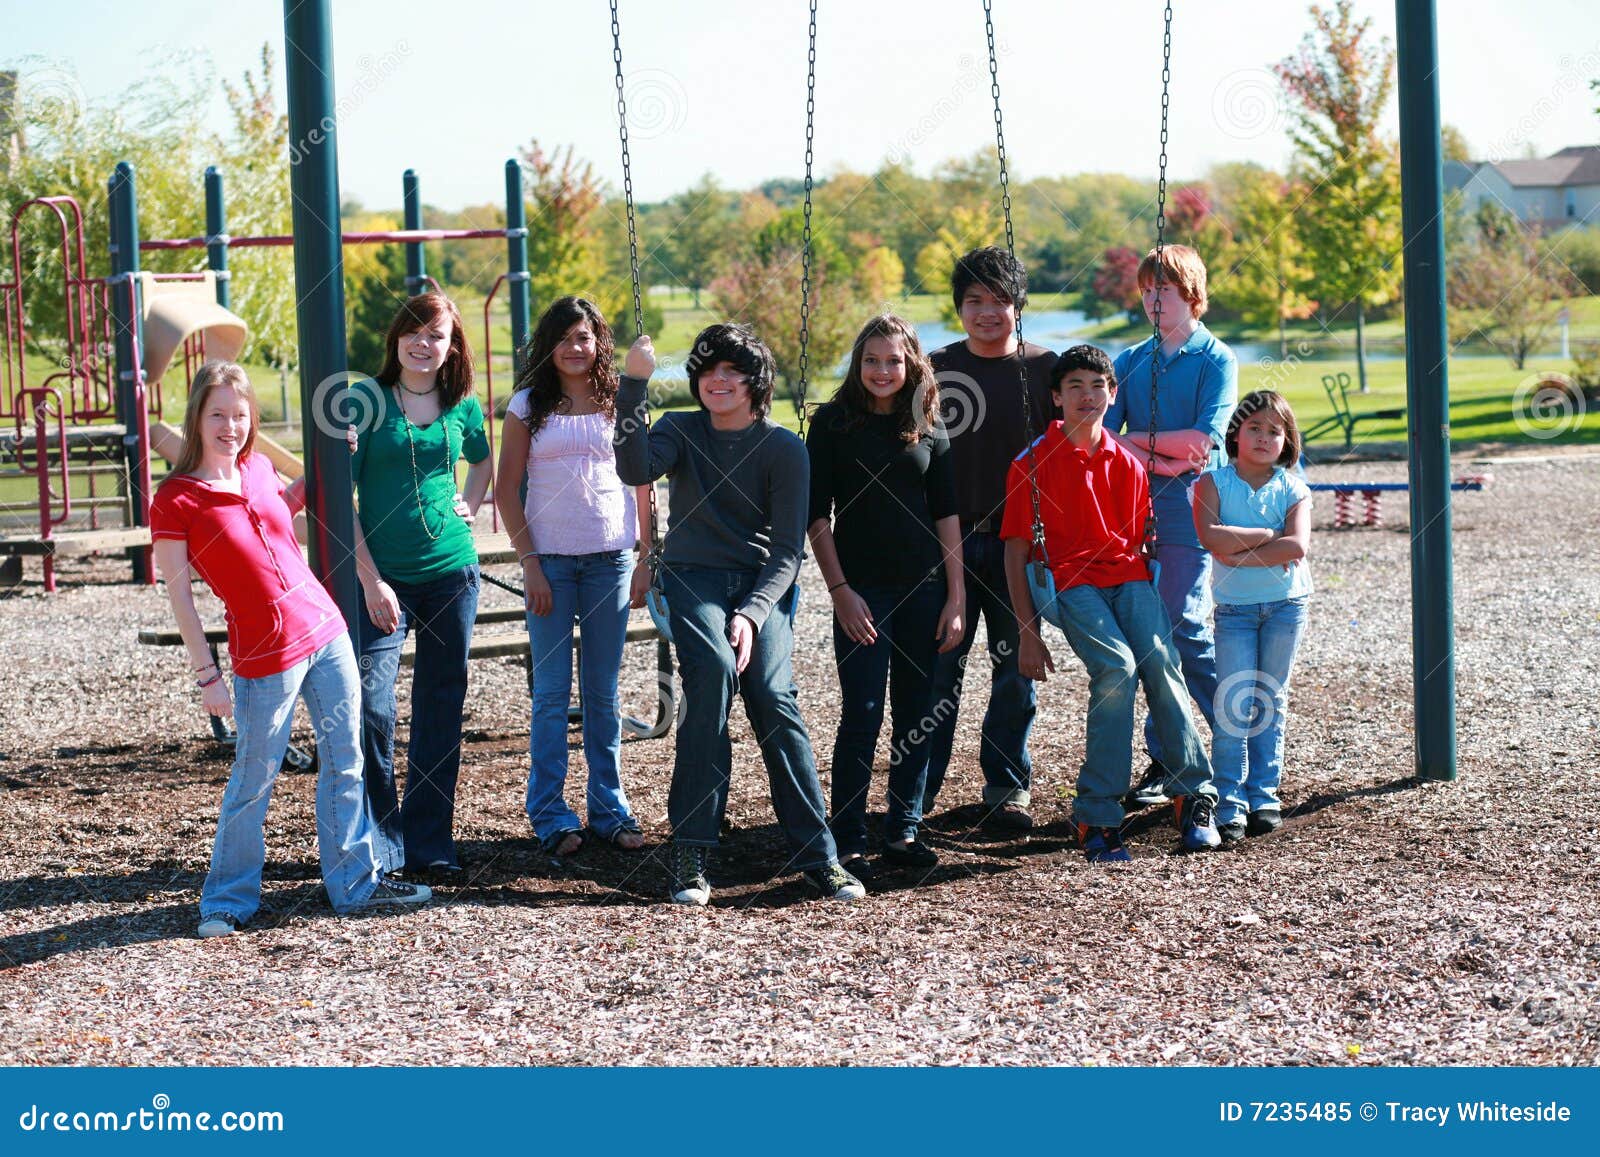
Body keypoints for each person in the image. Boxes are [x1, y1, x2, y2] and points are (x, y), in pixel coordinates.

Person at [150, 361, 431, 937]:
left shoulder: (256, 469)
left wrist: (336, 454)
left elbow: (292, 506)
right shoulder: (176, 499)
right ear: (198, 418)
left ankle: (355, 885)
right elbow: (180, 599)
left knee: (347, 758)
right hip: (263, 653)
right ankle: (227, 900)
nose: (231, 425)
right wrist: (207, 675)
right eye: (218, 414)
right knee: (255, 776)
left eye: (240, 413)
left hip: (324, 630)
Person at [613, 322, 865, 906]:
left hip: (762, 588)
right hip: (692, 579)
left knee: (774, 697)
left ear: (756, 383)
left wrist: (751, 614)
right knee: (712, 678)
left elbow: (785, 555)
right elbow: (633, 470)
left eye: (732, 372)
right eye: (708, 371)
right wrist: (633, 386)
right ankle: (693, 849)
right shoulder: (679, 430)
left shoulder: (783, 449)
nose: (718, 381)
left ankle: (817, 855)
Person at [1001, 345, 1220, 861]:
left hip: (1129, 575)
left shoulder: (1127, 462)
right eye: (1074, 386)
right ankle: (1097, 813)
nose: (1087, 395)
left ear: (1113, 394)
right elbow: (1015, 555)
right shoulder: (1030, 464)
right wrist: (1027, 633)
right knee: (1117, 668)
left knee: (1164, 662)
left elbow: (1139, 545)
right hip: (1066, 580)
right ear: (1055, 397)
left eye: (1098, 385)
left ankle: (1193, 795)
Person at [806, 314, 965, 879]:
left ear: (911, 363)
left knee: (917, 713)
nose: (882, 370)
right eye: (871, 360)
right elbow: (816, 518)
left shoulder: (928, 419)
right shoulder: (830, 424)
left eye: (893, 360)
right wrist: (840, 591)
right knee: (863, 712)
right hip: (862, 591)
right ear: (857, 363)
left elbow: (947, 513)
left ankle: (903, 828)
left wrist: (956, 597)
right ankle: (847, 833)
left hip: (925, 588)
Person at [494, 296, 653, 857]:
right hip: (552, 565)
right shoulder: (526, 405)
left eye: (584, 338)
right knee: (552, 694)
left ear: (599, 343)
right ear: (549, 345)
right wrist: (530, 562)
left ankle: (609, 809)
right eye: (564, 338)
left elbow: (642, 483)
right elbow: (505, 487)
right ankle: (550, 811)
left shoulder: (619, 402)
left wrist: (646, 556)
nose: (575, 348)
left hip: (611, 559)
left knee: (604, 694)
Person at [349, 293, 492, 880]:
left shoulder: (463, 405)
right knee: (369, 708)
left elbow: (484, 460)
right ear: (397, 338)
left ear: (452, 345)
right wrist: (370, 579)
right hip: (381, 581)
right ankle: (382, 844)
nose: (423, 343)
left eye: (437, 335)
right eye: (414, 331)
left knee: (440, 709)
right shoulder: (366, 402)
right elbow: (335, 502)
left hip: (452, 575)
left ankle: (430, 842)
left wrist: (472, 504)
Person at [922, 247, 1057, 830]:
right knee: (936, 671)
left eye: (999, 300)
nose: (986, 312)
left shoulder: (1046, 370)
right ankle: (919, 789)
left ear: (1018, 305)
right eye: (974, 301)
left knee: (1015, 666)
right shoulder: (931, 368)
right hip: (945, 543)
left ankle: (1006, 785)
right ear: (959, 308)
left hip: (1018, 543)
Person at [1105, 244, 1238, 810]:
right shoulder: (1131, 359)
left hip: (1191, 508)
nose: (1152, 300)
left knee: (1184, 625)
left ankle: (1237, 746)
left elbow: (1203, 445)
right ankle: (1167, 757)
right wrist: (1160, 452)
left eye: (1164, 290)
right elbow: (1105, 439)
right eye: (1146, 291)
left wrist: (1141, 444)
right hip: (1132, 509)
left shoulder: (1216, 360)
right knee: (1145, 635)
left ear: (1191, 294)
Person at [1192, 390, 1313, 844]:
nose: (1264, 438)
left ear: (1288, 440)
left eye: (1275, 431)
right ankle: (1229, 801)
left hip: (1287, 604)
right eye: (1254, 428)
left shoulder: (1294, 488)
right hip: (1235, 611)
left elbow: (1296, 547)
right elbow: (1211, 539)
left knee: (1269, 698)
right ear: (1235, 435)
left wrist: (1237, 548)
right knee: (1233, 702)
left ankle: (1263, 795)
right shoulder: (1212, 484)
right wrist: (1266, 535)